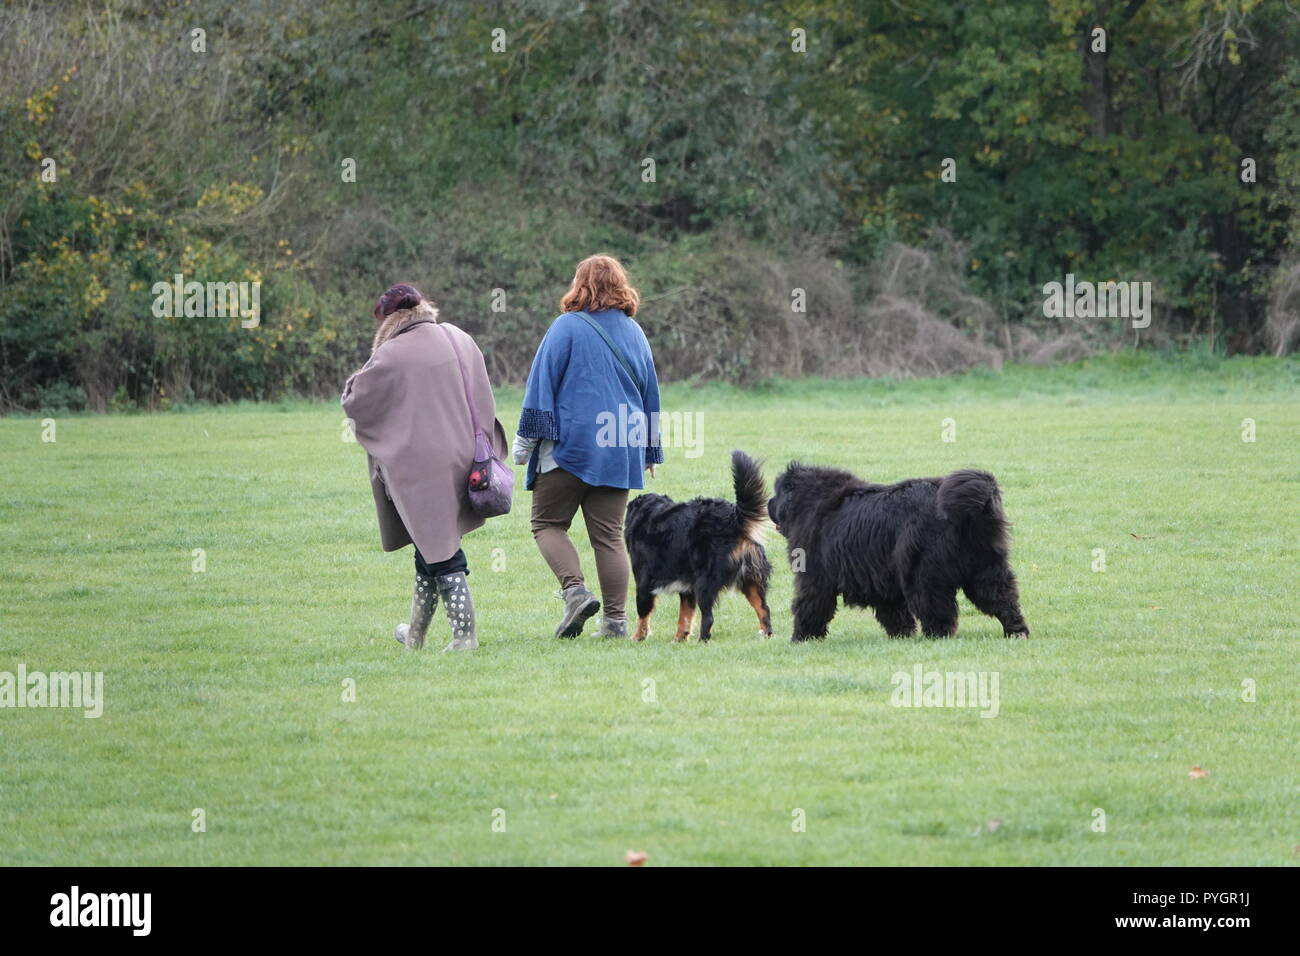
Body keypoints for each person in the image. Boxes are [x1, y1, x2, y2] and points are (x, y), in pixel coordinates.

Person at [342, 283, 507, 651]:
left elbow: (355, 401)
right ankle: (414, 635)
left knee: (441, 551)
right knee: (428, 547)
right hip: (469, 459)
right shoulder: (459, 336)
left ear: (388, 318)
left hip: (424, 469)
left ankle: (465, 635)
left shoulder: (393, 354)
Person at [514, 255, 663, 639]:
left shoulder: (565, 327)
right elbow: (650, 395)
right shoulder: (635, 332)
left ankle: (575, 592)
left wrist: (524, 442)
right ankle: (615, 623)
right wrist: (650, 451)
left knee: (547, 524)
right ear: (620, 285)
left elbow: (541, 384)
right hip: (619, 445)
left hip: (570, 445)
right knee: (609, 537)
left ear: (580, 284)